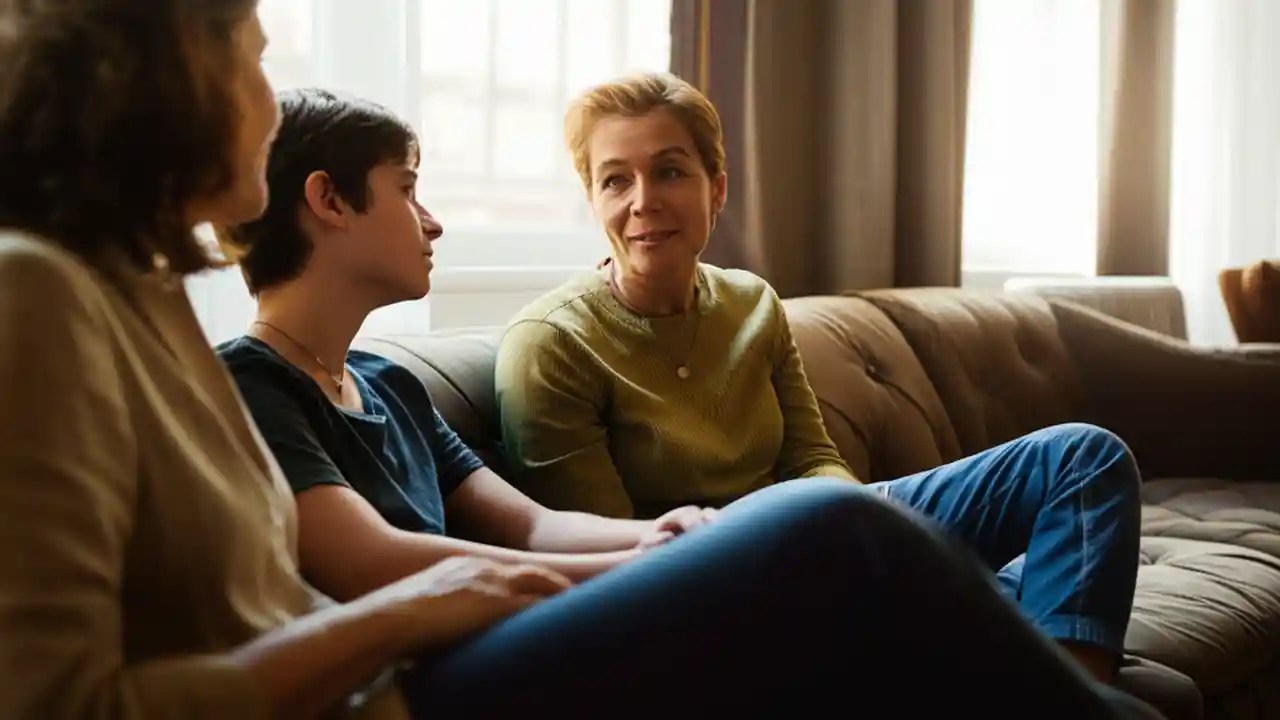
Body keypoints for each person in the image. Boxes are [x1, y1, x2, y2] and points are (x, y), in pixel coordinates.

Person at [202, 84, 1159, 718]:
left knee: (893, 504)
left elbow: (534, 529)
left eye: (668, 172)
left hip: (508, 618)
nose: (434, 218)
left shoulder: (389, 383)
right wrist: (644, 565)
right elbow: (379, 569)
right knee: (827, 522)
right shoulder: (252, 382)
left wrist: (667, 537)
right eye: (408, 191)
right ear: (327, 202)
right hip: (424, 680)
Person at [493, 71, 1144, 684]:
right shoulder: (550, 345)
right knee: (1008, 588)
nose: (643, 201)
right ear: (592, 199)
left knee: (1083, 459)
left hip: (821, 528)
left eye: (669, 171)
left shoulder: (752, 304)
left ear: (716, 189)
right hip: (706, 580)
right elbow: (616, 574)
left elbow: (812, 456)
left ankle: (1073, 692)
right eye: (615, 180)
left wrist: (853, 529)